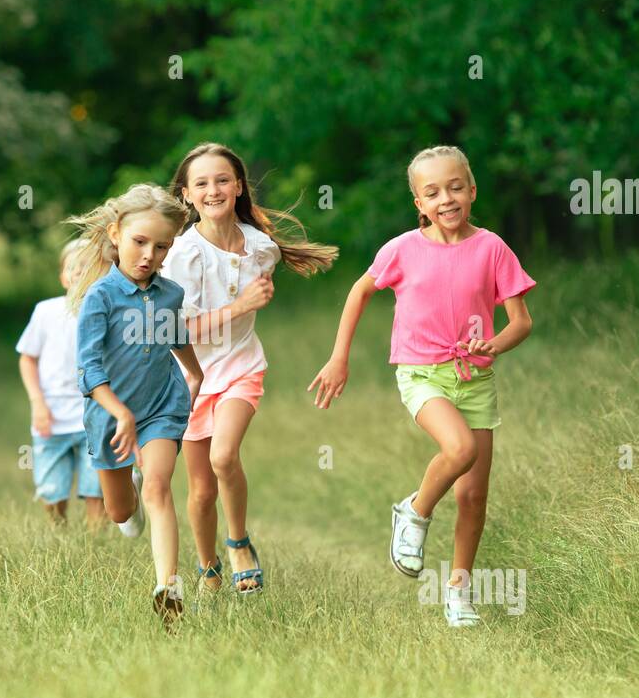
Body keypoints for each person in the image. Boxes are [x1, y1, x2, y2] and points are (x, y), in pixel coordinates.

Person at [309, 146, 535, 626]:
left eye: (455, 187)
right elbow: (360, 291)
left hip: (474, 377)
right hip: (421, 372)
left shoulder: (492, 247)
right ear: (419, 203)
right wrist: (339, 357)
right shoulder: (402, 250)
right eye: (432, 192)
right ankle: (414, 510)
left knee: (473, 496)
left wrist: (493, 345)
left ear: (472, 191)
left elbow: (520, 322)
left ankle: (458, 593)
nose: (446, 198)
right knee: (459, 450)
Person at [162, 142, 337, 596]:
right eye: (201, 183)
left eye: (223, 180)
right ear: (186, 194)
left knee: (224, 457)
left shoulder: (261, 247)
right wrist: (240, 305)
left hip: (241, 367)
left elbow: (248, 282)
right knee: (200, 491)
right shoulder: (182, 255)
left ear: (239, 186)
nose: (213, 189)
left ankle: (238, 542)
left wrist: (243, 303)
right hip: (190, 377)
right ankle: (208, 570)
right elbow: (176, 330)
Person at [68, 184, 204, 624]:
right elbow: (88, 370)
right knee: (120, 509)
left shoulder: (170, 294)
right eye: (139, 242)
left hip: (162, 405)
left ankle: (169, 587)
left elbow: (174, 335)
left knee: (159, 486)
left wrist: (195, 371)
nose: (149, 254)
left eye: (161, 246)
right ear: (115, 235)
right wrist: (120, 412)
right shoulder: (100, 299)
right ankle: (128, 504)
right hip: (109, 417)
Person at [16, 239, 106, 528]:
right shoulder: (46, 312)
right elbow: (27, 358)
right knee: (51, 488)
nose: (81, 273)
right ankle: (58, 531)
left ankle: (97, 541)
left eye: (89, 268)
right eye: (74, 268)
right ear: (63, 276)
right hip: (51, 415)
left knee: (97, 486)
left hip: (94, 412)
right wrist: (37, 402)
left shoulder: (107, 314)